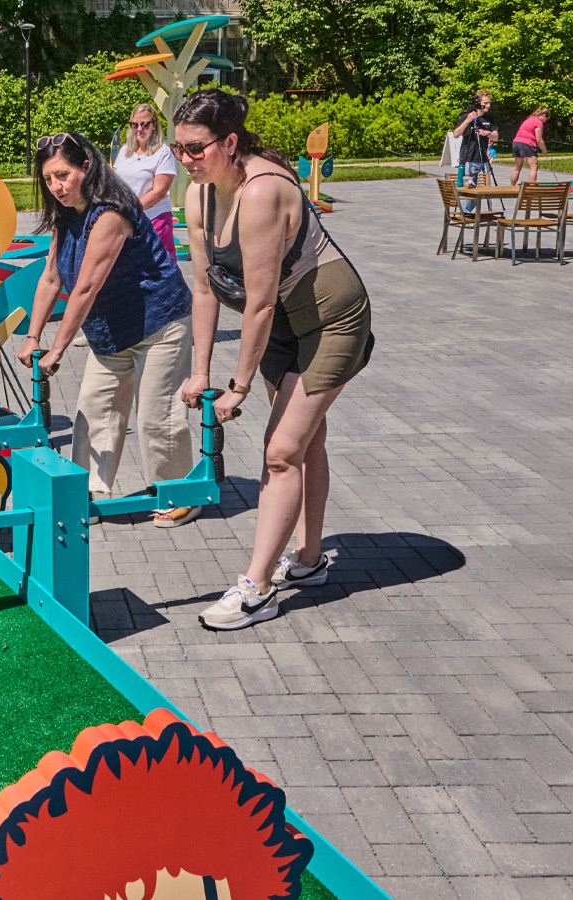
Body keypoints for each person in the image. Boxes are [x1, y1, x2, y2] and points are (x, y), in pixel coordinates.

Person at [173, 89, 374, 631]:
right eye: (178, 149)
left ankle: (258, 588)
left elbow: (258, 303)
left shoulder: (262, 192)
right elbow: (205, 288)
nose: (186, 159)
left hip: (332, 319)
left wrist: (237, 386)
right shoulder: (198, 195)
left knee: (281, 452)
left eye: (195, 148)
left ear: (229, 142)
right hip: (283, 323)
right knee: (306, 441)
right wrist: (200, 371)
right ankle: (308, 561)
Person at [20, 132, 199, 527]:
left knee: (157, 417)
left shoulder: (111, 212)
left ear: (85, 167)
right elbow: (51, 278)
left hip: (159, 324)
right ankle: (86, 491)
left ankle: (180, 492)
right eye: (48, 179)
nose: (56, 187)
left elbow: (86, 287)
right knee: (93, 412)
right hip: (112, 332)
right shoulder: (66, 214)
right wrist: (33, 336)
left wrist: (57, 349)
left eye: (63, 175)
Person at [113, 104, 180, 258]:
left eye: (145, 124)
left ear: (154, 125)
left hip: (154, 220)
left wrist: (131, 211)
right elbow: (115, 182)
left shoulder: (163, 153)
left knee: (159, 267)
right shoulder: (124, 151)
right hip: (128, 221)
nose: (139, 129)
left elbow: (159, 192)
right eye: (134, 125)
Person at [454, 90, 497, 211]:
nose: (488, 106)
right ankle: (465, 214)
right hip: (469, 159)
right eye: (485, 103)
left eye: (489, 103)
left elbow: (496, 137)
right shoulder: (467, 115)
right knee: (469, 190)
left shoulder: (489, 118)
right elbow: (456, 134)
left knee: (484, 190)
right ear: (478, 103)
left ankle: (473, 213)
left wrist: (487, 133)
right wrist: (468, 120)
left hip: (483, 159)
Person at [510, 107, 549, 185]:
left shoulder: (529, 119)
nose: (545, 121)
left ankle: (512, 187)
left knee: (517, 168)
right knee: (533, 167)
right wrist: (544, 150)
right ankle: (531, 188)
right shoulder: (538, 122)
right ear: (543, 115)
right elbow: (539, 140)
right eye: (546, 119)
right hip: (527, 144)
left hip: (517, 142)